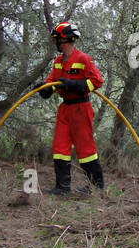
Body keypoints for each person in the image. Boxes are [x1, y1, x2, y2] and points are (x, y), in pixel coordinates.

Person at [38, 21, 105, 195]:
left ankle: (97, 188)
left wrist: (76, 85)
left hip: (80, 108)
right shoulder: (58, 61)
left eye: (57, 40)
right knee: (60, 147)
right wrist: (46, 89)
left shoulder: (83, 59)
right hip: (65, 109)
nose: (56, 43)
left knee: (86, 149)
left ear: (64, 40)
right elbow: (52, 81)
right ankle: (62, 188)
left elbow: (97, 81)